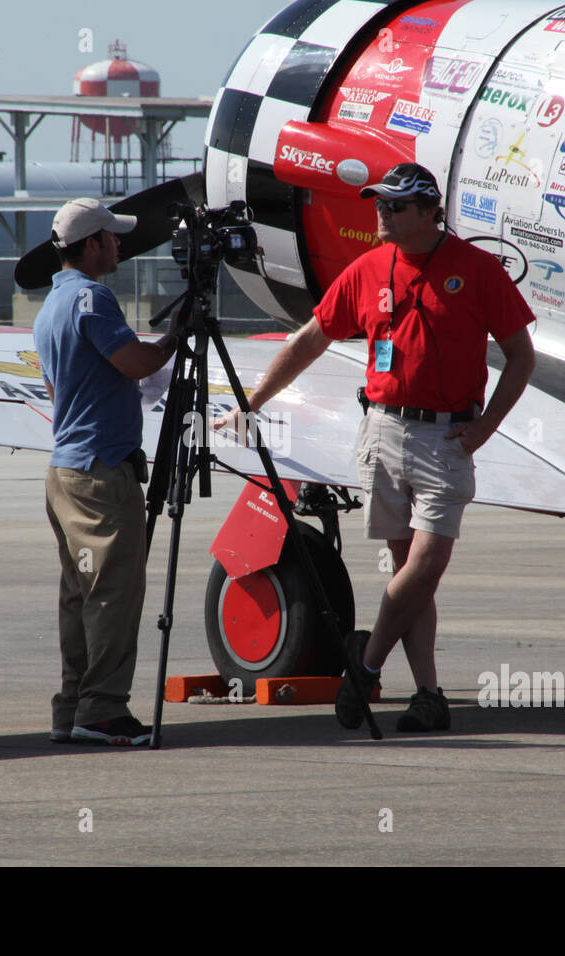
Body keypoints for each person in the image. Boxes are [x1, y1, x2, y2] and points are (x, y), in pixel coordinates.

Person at [213, 163, 536, 732]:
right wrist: (254, 402)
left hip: (447, 437)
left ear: (428, 212)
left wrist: (484, 429)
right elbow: (312, 338)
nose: (379, 214)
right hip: (383, 430)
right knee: (406, 568)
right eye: (378, 204)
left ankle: (364, 664)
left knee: (426, 564)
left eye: (392, 206)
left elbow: (521, 357)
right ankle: (429, 694)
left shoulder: (478, 270)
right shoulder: (366, 269)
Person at [33, 197, 181, 746]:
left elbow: (57, 391)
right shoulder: (93, 298)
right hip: (101, 473)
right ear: (91, 244)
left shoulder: (51, 305)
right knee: (114, 594)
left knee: (79, 594)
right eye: (112, 238)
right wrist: (176, 337)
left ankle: (72, 705)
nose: (119, 245)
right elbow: (137, 365)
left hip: (64, 471)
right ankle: (102, 709)